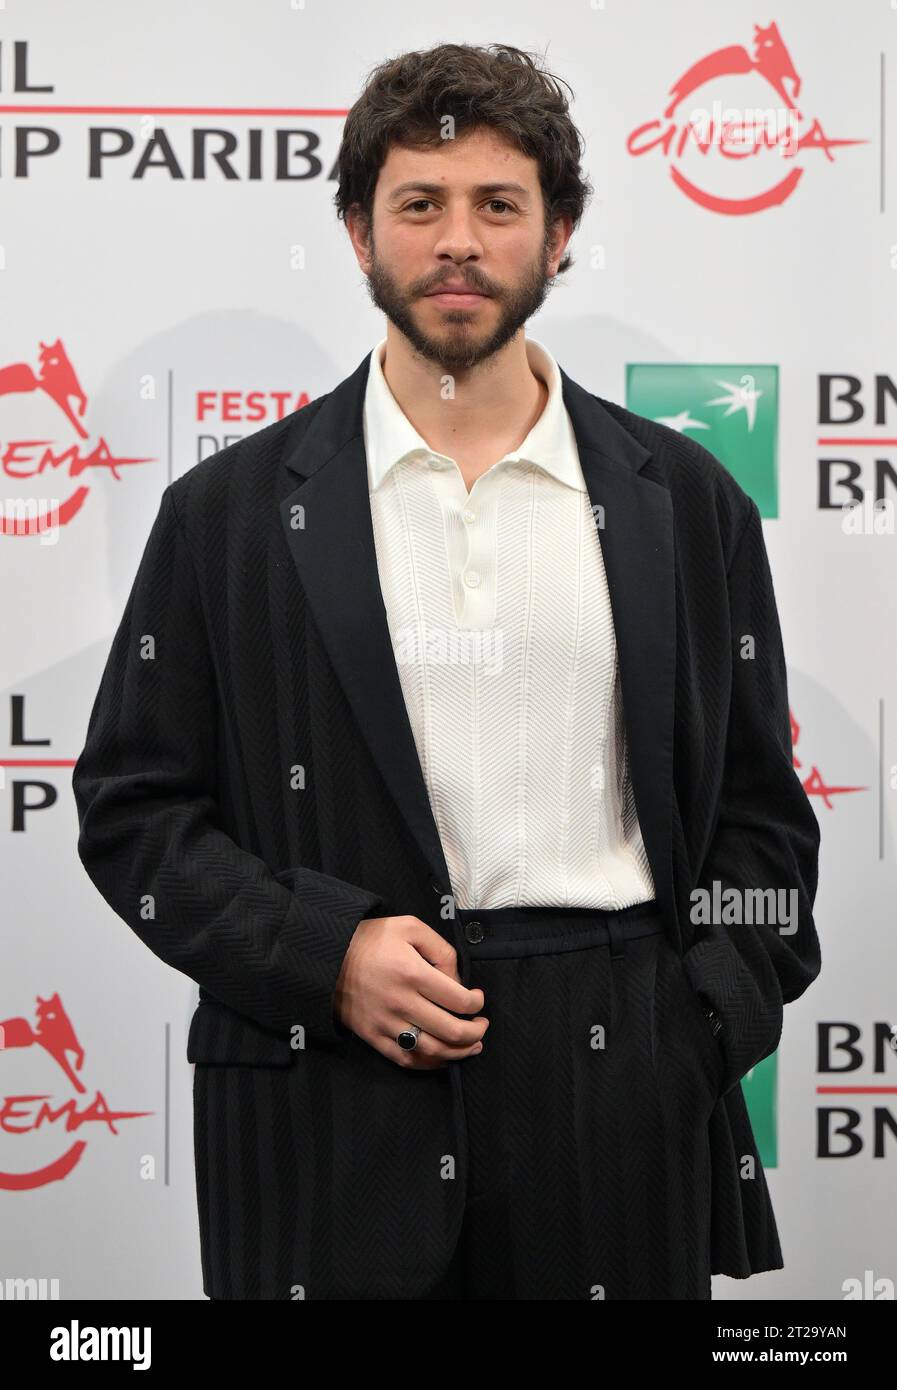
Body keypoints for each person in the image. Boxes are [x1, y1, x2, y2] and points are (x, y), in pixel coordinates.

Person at [72, 41, 821, 1300]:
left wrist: (691, 1029)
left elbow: (761, 825)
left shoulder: (687, 506)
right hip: (325, 1097)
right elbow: (134, 814)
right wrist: (322, 953)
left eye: (498, 204)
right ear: (359, 234)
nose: (458, 240)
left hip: (615, 1103)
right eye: (420, 204)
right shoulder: (231, 513)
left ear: (561, 231)